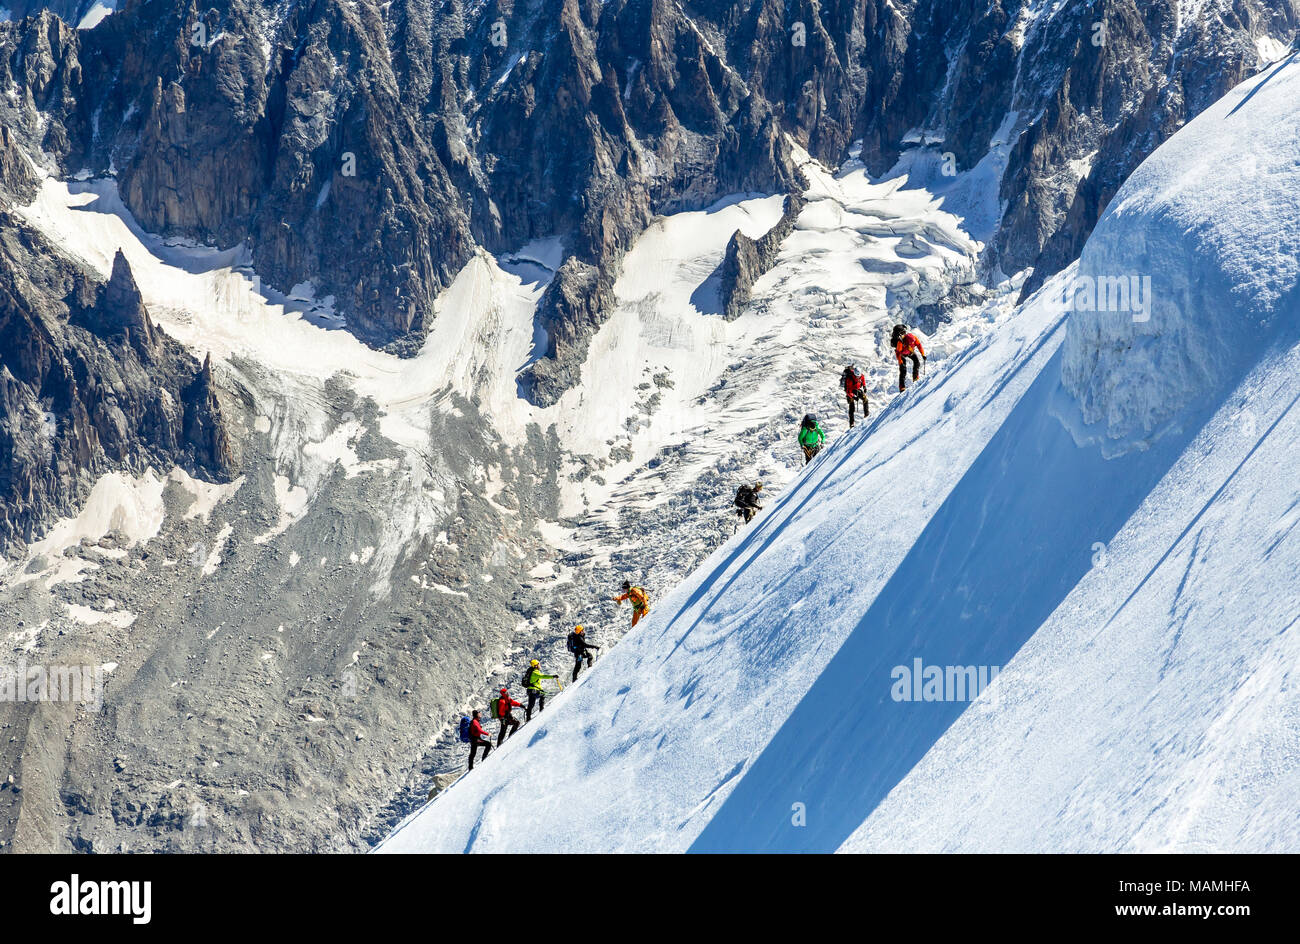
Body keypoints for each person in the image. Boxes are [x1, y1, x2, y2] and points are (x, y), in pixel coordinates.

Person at [891, 324, 926, 392]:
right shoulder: (900, 343)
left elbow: (919, 345)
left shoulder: (914, 338)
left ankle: (915, 378)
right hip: (902, 354)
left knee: (917, 362)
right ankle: (902, 387)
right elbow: (898, 353)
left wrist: (923, 354)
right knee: (903, 370)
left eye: (912, 343)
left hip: (909, 352)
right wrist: (900, 362)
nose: (912, 344)